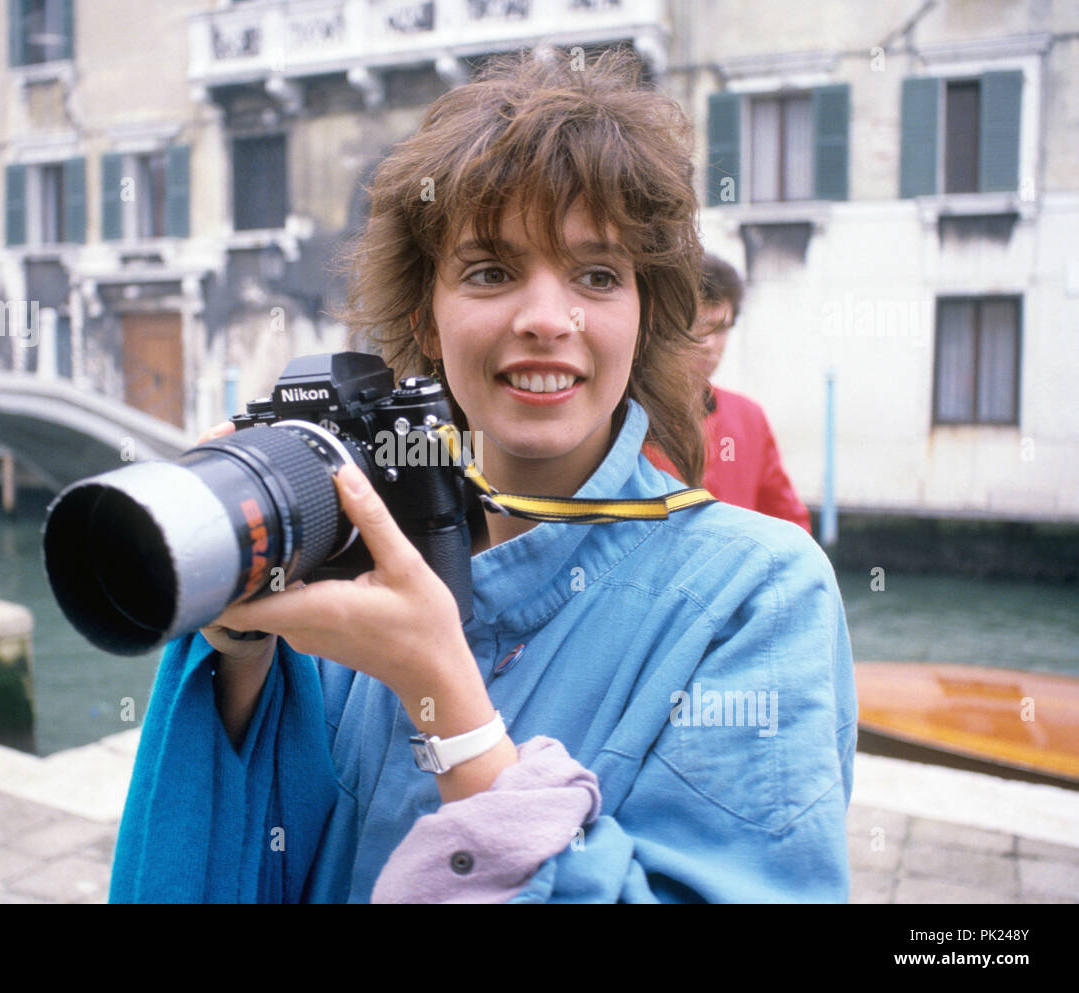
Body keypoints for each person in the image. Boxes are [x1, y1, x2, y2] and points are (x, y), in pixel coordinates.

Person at [109, 48, 856, 904]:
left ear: (643, 314)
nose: (546, 319)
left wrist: (444, 697)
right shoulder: (350, 556)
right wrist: (241, 652)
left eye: (599, 275)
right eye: (492, 271)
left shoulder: (758, 594)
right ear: (427, 316)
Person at [647, 254, 813, 534]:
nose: (708, 344)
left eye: (721, 328)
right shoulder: (627, 417)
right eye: (697, 327)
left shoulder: (749, 417)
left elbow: (788, 524)